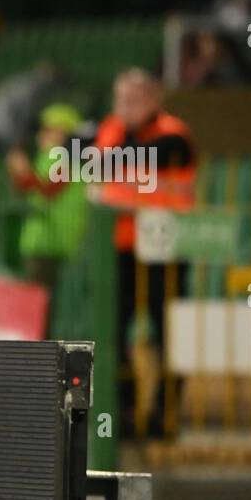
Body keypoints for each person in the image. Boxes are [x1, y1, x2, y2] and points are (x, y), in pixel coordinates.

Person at [88, 69, 197, 438]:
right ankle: (126, 415)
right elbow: (92, 165)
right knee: (114, 334)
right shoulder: (112, 131)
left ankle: (163, 418)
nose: (124, 107)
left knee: (169, 335)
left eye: (133, 99)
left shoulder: (174, 134)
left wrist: (105, 158)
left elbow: (148, 158)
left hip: (164, 250)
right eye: (120, 99)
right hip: (119, 249)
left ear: (155, 99)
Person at [4, 103, 90, 298]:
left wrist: (23, 172)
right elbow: (27, 189)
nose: (41, 134)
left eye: (49, 129)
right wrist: (19, 173)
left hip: (55, 241)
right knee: (36, 299)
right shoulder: (48, 157)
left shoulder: (68, 158)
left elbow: (48, 191)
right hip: (41, 240)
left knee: (40, 299)